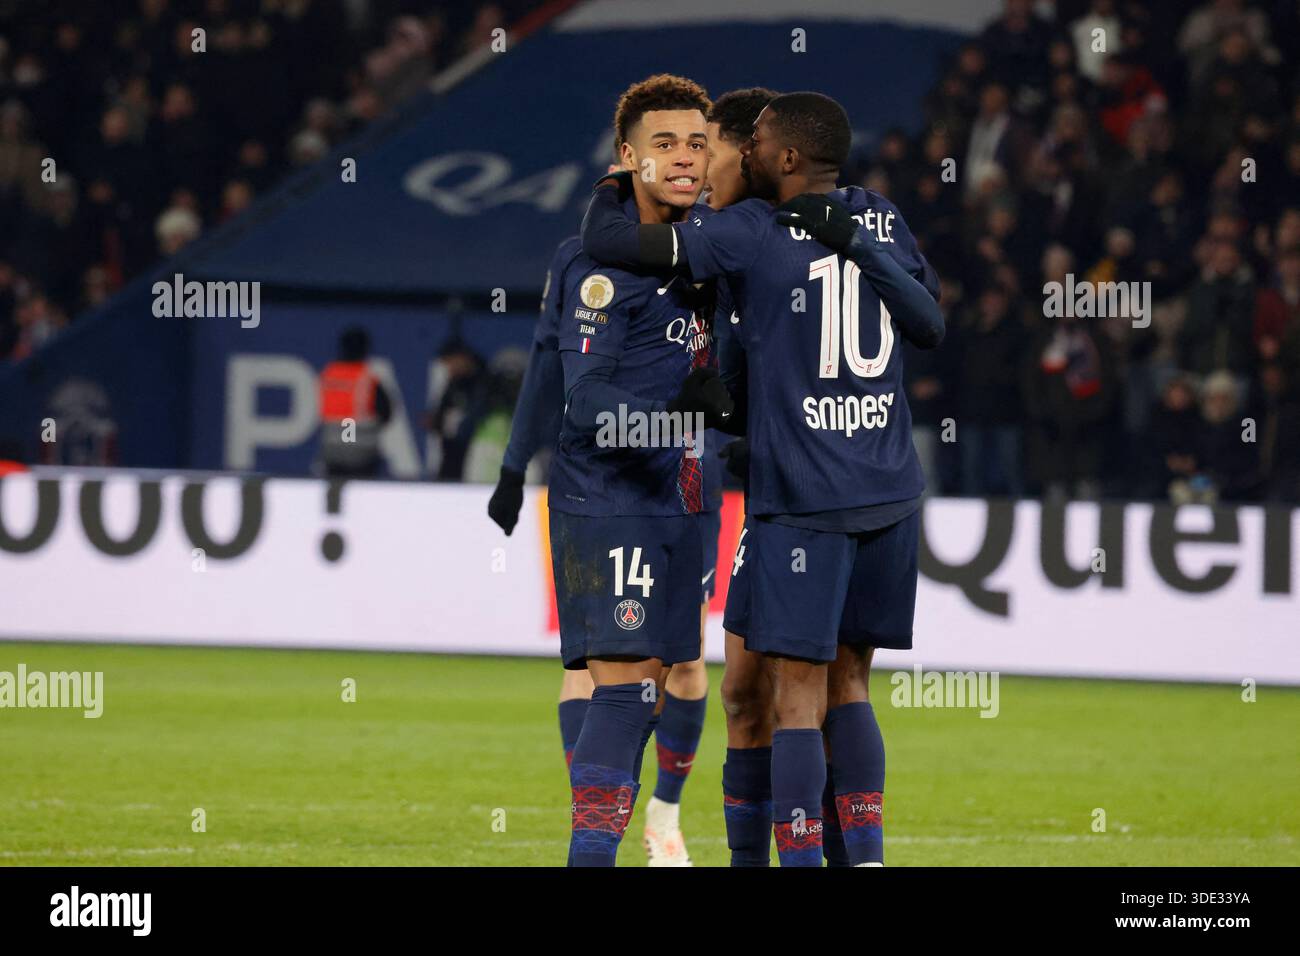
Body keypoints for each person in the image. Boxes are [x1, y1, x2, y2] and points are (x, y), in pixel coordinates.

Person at [581, 91, 943, 866]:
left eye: (716, 149)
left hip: (805, 500)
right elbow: (923, 320)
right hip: (883, 486)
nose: (705, 165)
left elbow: (617, 244)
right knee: (796, 689)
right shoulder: (875, 213)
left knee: (795, 696)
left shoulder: (747, 232)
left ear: (767, 154)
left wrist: (620, 181)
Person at [546, 75, 734, 867]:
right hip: (612, 497)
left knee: (676, 667)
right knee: (617, 684)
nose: (685, 158)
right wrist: (682, 419)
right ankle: (604, 832)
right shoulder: (597, 269)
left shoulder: (711, 248)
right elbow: (585, 404)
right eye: (665, 144)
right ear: (628, 158)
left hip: (689, 494)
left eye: (697, 142)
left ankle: (654, 813)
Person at [318, 326, 392, 478]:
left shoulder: (328, 374)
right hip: (361, 452)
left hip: (332, 449)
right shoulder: (366, 378)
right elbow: (386, 413)